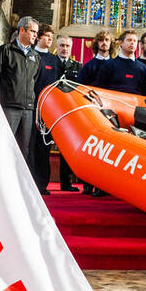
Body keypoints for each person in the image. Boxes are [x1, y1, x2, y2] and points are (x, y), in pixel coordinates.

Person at [0, 15, 42, 177]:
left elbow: (35, 80)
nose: (35, 36)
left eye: (36, 32)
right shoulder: (5, 51)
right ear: (22, 30)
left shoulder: (36, 57)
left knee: (23, 150)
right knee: (3, 146)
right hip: (8, 107)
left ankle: (17, 182)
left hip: (27, 110)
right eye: (33, 31)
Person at [31, 25, 61, 194]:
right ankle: (30, 183)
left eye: (51, 36)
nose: (49, 39)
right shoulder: (32, 55)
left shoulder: (54, 60)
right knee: (29, 147)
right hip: (31, 107)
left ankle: (42, 184)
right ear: (38, 38)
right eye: (47, 36)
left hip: (47, 110)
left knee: (44, 148)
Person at [53, 35, 82, 191]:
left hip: (68, 112)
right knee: (42, 148)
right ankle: (40, 183)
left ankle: (66, 183)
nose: (64, 49)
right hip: (50, 110)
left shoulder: (77, 67)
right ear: (57, 47)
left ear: (71, 48)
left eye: (67, 46)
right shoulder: (49, 63)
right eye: (62, 45)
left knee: (66, 148)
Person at [100, 29, 146, 95]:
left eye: (135, 41)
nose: (132, 43)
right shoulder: (109, 65)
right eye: (129, 40)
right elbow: (100, 89)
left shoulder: (143, 68)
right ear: (121, 43)